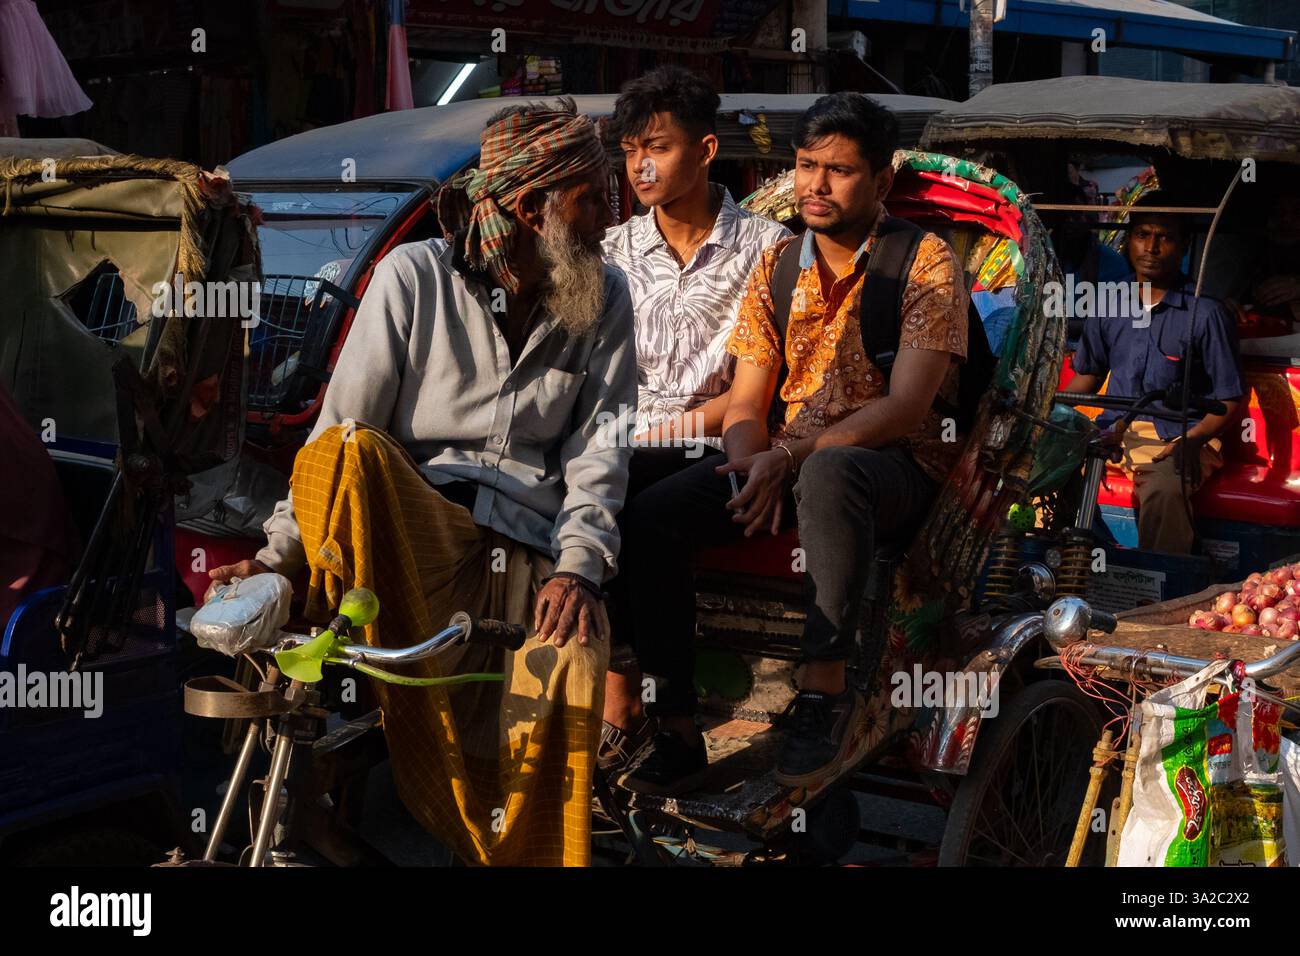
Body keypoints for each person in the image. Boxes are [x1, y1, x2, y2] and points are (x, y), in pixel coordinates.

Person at [206, 97, 637, 866]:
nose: (610, 216)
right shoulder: (414, 276)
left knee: (571, 657)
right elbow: (337, 430)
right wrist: (277, 556)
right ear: (533, 207)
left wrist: (580, 570)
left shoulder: (605, 297)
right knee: (350, 448)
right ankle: (296, 629)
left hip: (525, 547)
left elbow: (601, 452)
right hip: (414, 534)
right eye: (591, 197)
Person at [615, 92, 970, 796]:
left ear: (880, 182)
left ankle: (821, 690)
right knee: (643, 502)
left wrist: (787, 457)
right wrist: (750, 460)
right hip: (784, 457)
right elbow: (747, 401)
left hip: (893, 469)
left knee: (832, 470)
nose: (815, 184)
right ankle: (675, 724)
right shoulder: (778, 263)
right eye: (807, 165)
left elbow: (905, 408)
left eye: (838, 170)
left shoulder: (924, 261)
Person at [595, 66, 789, 774]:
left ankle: (673, 726)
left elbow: (751, 394)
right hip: (625, 437)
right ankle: (612, 694)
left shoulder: (767, 249)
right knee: (576, 490)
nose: (641, 165)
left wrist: (645, 436)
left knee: (645, 513)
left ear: (706, 150)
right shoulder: (613, 251)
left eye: (658, 147)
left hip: (719, 438)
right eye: (629, 150)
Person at [1064, 195, 1244, 555]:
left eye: (1165, 237)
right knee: (1041, 470)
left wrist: (1192, 440)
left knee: (1164, 490)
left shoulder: (1207, 313)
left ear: (1184, 246)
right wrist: (1053, 419)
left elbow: (1228, 399)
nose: (1151, 247)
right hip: (1114, 433)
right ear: (1128, 239)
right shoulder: (1106, 304)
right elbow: (1087, 376)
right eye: (1142, 234)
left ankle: (1160, 596)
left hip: (1182, 436)